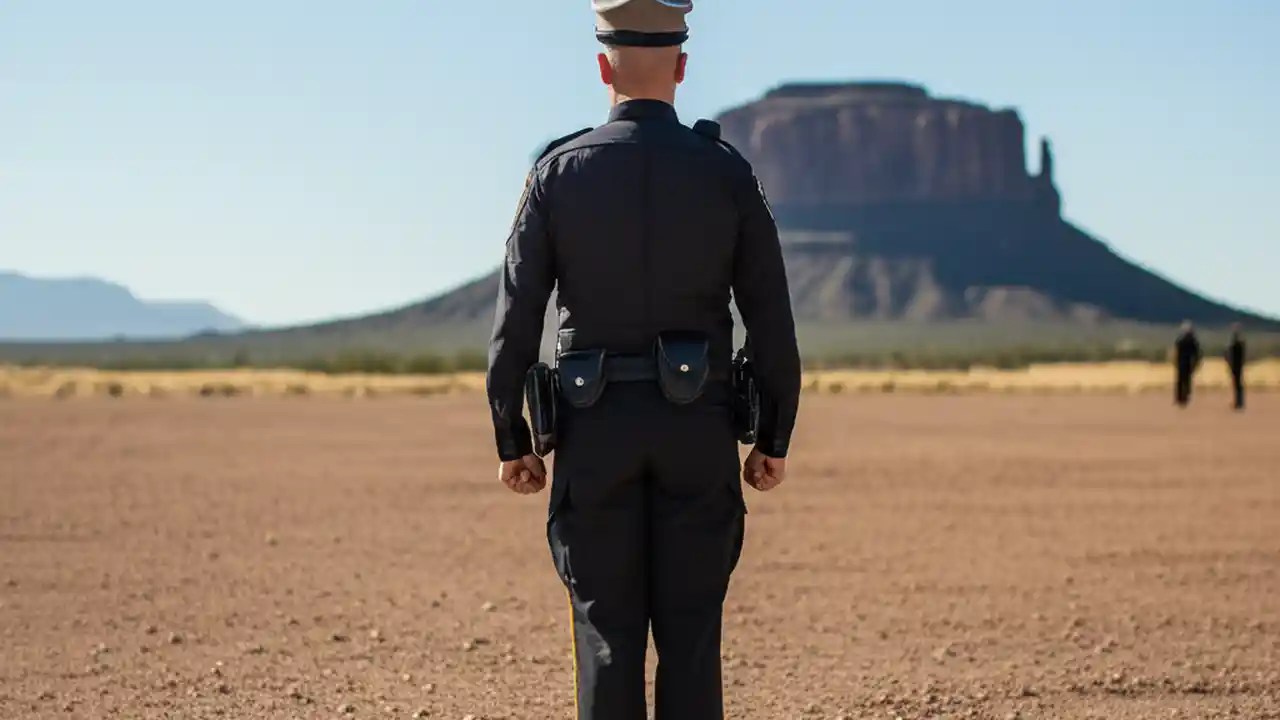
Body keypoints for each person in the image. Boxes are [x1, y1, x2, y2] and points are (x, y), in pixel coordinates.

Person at [484, 2, 802, 718]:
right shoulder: (726, 174)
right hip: (700, 433)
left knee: (605, 636)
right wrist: (772, 437)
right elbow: (772, 321)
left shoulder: (557, 173)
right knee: (691, 638)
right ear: (682, 67)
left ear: (603, 65)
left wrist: (514, 439)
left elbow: (516, 319)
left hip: (594, 434)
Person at [1174, 321, 1202, 407]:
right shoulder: (1184, 340)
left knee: (1185, 381)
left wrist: (1196, 363)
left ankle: (1183, 398)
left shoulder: (1190, 340)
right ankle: (1181, 398)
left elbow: (1197, 354)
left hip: (1187, 363)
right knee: (1182, 381)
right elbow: (1177, 352)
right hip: (1183, 363)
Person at [1225, 324, 1246, 410]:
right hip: (1237, 366)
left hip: (1235, 366)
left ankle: (1238, 403)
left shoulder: (1234, 343)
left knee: (1237, 384)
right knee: (1238, 384)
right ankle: (1239, 402)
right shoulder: (1240, 343)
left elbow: (1229, 354)